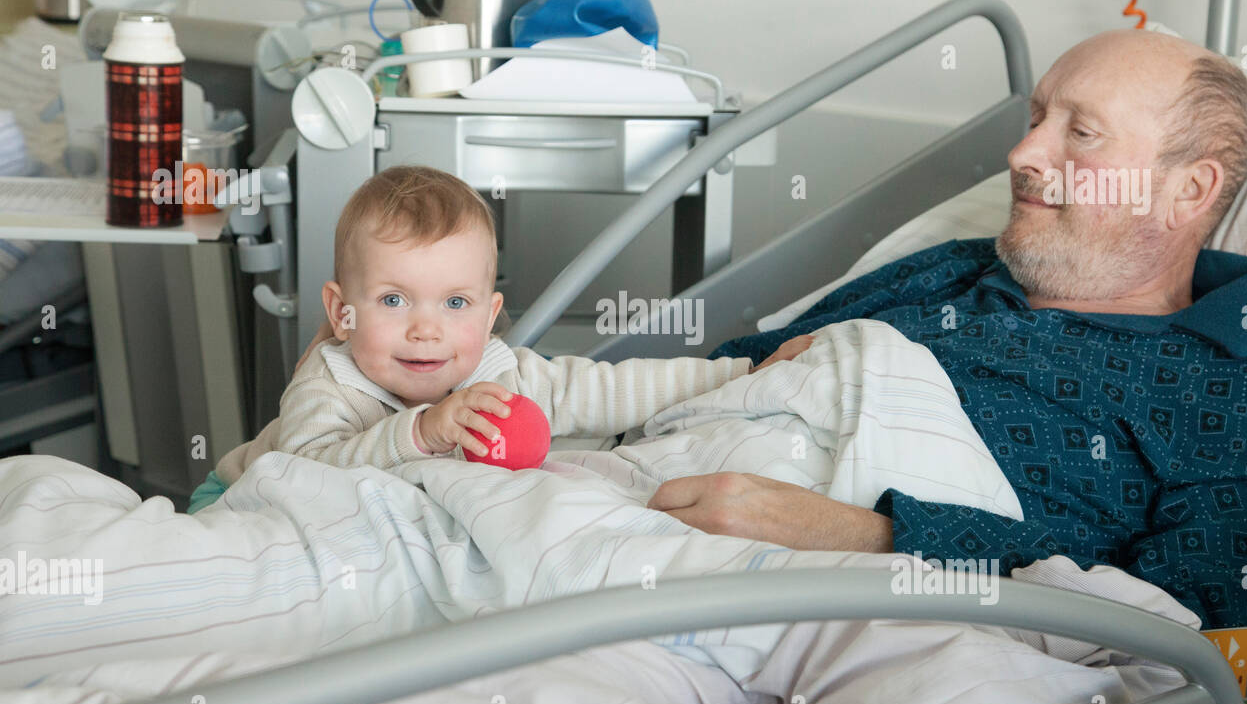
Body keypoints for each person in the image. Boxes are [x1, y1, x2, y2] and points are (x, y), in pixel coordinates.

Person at [659, 29, 1247, 630]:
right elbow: (728, 377)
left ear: (1188, 190)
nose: (1022, 154)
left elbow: (1181, 623)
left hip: (877, 636)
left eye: (1081, 132)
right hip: (656, 514)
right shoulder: (958, 267)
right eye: (1037, 119)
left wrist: (857, 537)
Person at [191, 166, 803, 510]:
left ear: (489, 316)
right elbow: (303, 472)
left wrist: (740, 372)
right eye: (393, 300)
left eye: (455, 303)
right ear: (341, 311)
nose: (426, 328)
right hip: (233, 495)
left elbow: (614, 389)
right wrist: (423, 431)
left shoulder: (497, 372)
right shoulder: (330, 382)